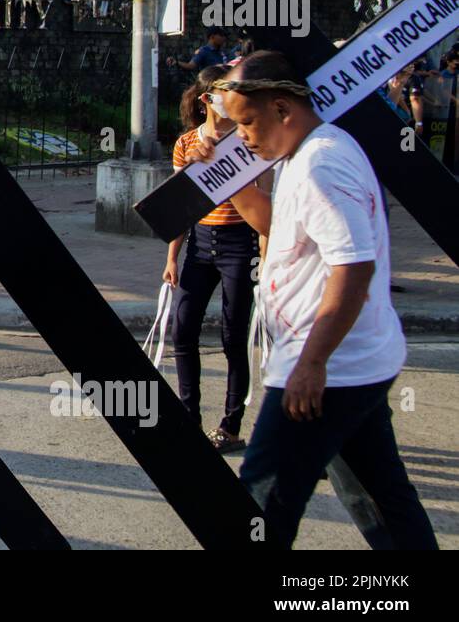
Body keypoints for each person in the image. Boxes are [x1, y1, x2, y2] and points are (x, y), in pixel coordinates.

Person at [186, 49, 437, 549]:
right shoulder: (308, 152)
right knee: (380, 498)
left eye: (249, 122)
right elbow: (280, 229)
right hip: (350, 363)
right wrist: (222, 174)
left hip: (324, 369)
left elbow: (354, 265)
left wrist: (312, 363)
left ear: (282, 108)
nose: (245, 136)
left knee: (259, 509)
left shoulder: (321, 164)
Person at [164, 65, 260, 453]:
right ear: (207, 99)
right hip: (200, 245)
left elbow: (263, 195)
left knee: (234, 337)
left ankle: (231, 426)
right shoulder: (186, 144)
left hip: (241, 242)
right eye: (225, 92)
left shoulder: (248, 139)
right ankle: (189, 417)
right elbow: (178, 209)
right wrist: (172, 257)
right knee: (183, 331)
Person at [167, 26, 232, 73]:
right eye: (221, 35)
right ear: (212, 37)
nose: (224, 38)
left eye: (224, 36)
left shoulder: (224, 52)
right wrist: (176, 62)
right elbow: (191, 66)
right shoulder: (203, 51)